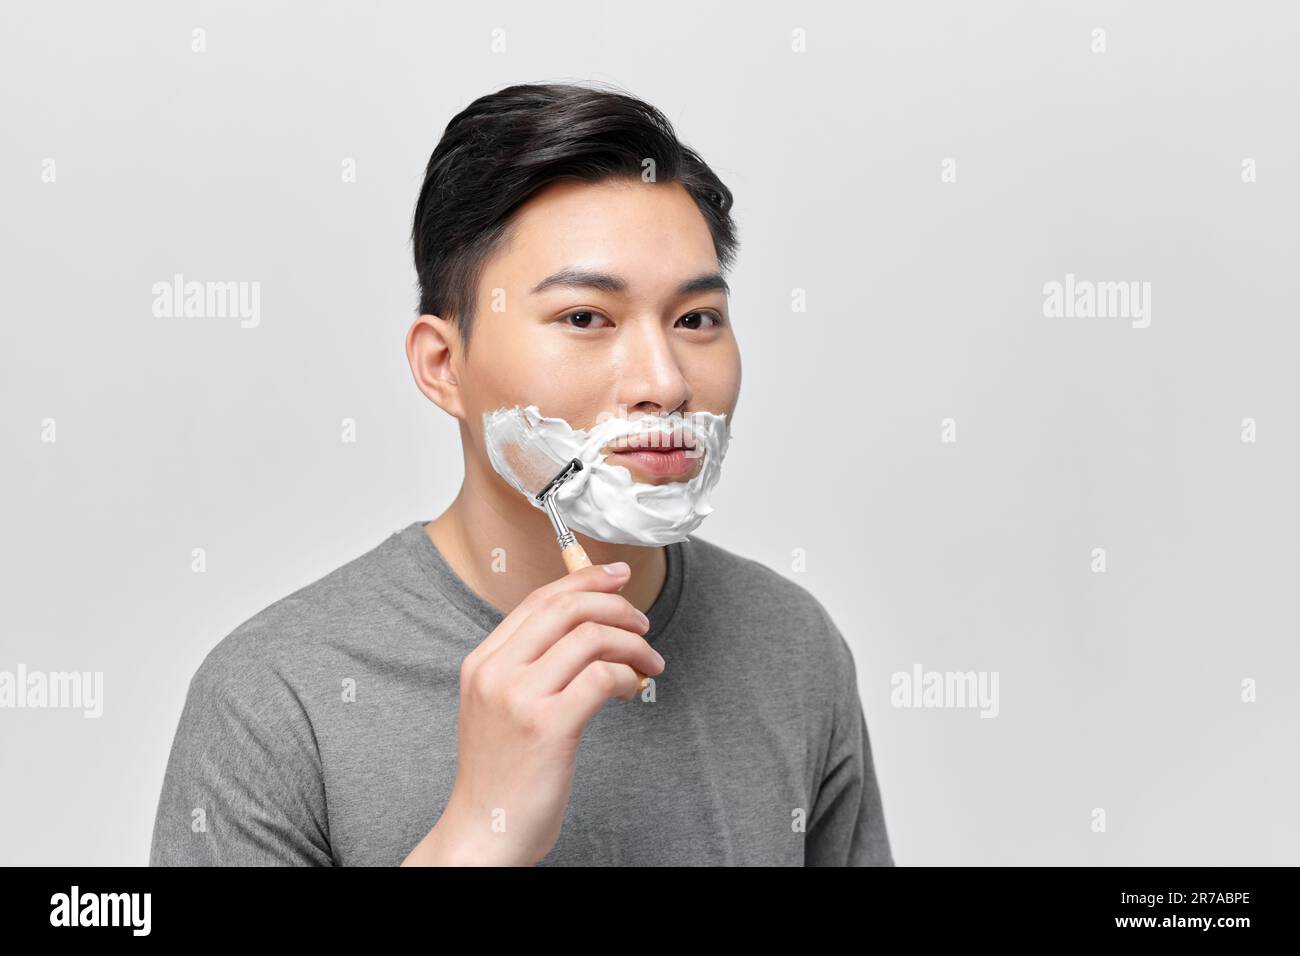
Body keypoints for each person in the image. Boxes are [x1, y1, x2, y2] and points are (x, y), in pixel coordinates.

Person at [148, 81, 893, 866]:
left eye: (695, 319)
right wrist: (474, 835)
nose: (665, 382)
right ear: (444, 365)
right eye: (584, 318)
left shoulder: (793, 646)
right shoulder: (276, 694)